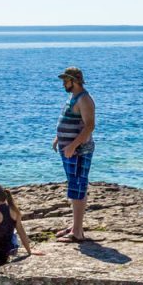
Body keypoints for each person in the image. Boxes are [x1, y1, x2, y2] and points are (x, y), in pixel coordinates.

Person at [53, 66, 96, 242]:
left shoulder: (84, 99)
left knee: (77, 188)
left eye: (66, 80)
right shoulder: (73, 97)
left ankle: (77, 232)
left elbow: (89, 126)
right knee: (74, 187)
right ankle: (75, 226)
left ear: (75, 81)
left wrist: (72, 146)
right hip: (69, 149)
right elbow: (70, 120)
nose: (63, 83)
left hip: (78, 151)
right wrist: (58, 138)